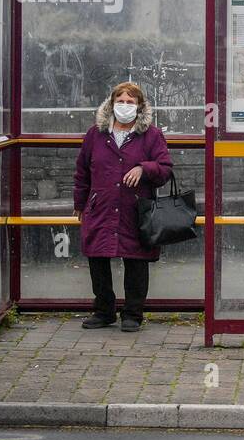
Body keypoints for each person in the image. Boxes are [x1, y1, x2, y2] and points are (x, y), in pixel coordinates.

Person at [73, 82, 173, 332]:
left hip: (135, 208)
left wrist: (144, 168)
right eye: (121, 100)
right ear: (112, 102)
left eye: (131, 102)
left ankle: (133, 314)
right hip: (101, 206)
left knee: (135, 260)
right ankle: (104, 311)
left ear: (139, 106)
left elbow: (165, 169)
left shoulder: (152, 135)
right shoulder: (95, 134)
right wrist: (80, 202)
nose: (125, 106)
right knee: (97, 258)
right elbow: (82, 171)